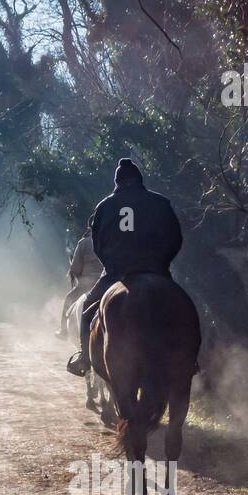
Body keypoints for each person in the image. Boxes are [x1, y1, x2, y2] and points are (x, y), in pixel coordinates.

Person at [67, 158, 183, 376]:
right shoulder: (160, 202)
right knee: (181, 310)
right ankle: (189, 359)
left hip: (116, 274)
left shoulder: (105, 205)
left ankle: (84, 357)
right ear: (139, 179)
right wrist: (162, 263)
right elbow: (175, 238)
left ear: (117, 182)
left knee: (86, 312)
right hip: (156, 271)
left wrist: (111, 265)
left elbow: (98, 244)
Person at [58, 227, 102, 337]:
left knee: (69, 299)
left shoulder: (84, 243)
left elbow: (76, 269)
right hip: (106, 280)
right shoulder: (108, 239)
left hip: (87, 283)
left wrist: (79, 276)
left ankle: (63, 331)